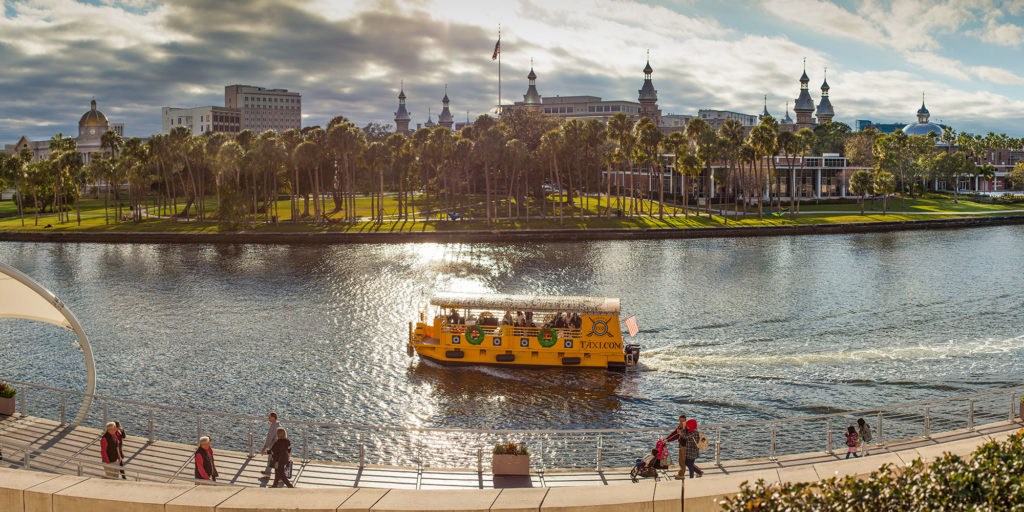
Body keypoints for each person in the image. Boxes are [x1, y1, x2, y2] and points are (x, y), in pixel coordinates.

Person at [665, 414, 688, 479]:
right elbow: (674, 433)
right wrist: (666, 438)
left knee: (683, 461)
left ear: (685, 421)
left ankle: (681, 475)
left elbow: (677, 436)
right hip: (681, 445)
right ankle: (698, 471)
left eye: (683, 421)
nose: (681, 422)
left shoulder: (685, 428)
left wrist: (668, 440)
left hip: (685, 446)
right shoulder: (679, 426)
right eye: (680, 421)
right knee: (682, 460)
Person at [261, 412, 280, 476]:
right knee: (274, 459)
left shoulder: (273, 426)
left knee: (270, 459)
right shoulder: (278, 425)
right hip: (277, 445)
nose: (268, 418)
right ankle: (268, 471)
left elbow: (269, 438)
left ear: (273, 418)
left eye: (269, 417)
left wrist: (264, 447)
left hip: (273, 446)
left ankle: (268, 473)